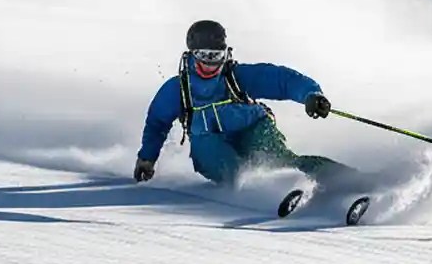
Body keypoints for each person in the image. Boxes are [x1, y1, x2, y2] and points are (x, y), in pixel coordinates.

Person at [132, 20, 365, 192]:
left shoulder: (236, 75)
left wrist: (311, 95)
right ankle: (273, 193)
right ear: (192, 54)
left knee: (282, 162)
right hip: (209, 142)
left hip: (251, 127)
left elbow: (281, 80)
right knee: (238, 172)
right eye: (204, 55)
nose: (211, 63)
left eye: (217, 56)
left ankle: (350, 182)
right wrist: (147, 158)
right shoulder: (178, 89)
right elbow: (157, 123)